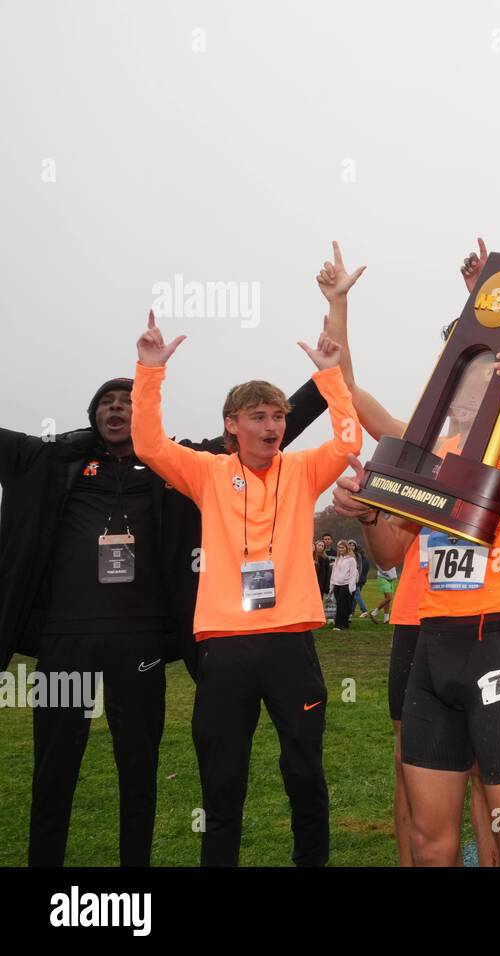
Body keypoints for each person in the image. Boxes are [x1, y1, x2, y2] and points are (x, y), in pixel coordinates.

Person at [4, 325, 328, 868]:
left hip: (141, 640)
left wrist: (324, 380)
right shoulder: (53, 462)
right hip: (65, 640)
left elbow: (264, 432)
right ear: (92, 415)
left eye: (126, 401)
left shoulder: (174, 468)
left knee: (140, 771)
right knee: (52, 771)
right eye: (105, 403)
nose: (116, 409)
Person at [325, 240, 500, 868]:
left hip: (498, 642)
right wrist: (369, 516)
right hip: (432, 647)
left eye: (486, 371)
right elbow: (390, 553)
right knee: (429, 840)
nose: (469, 384)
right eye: (461, 374)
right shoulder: (431, 455)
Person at [130, 311, 361, 867]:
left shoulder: (303, 470)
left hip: (290, 645)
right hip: (226, 647)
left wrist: (331, 376)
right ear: (233, 424)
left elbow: (348, 438)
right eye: (260, 416)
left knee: (304, 768)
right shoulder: (207, 472)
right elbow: (149, 445)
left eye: (279, 415)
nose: (273, 425)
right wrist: (149, 372)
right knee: (223, 778)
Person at [330, 541, 358, 631]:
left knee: (341, 604)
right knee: (341, 604)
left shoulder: (351, 560)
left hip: (346, 585)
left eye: (342, 547)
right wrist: (332, 584)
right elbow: (334, 572)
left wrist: (351, 587)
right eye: (339, 547)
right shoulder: (338, 558)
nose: (340, 549)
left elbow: (353, 574)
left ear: (347, 548)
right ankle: (345, 624)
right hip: (337, 584)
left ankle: (338, 625)